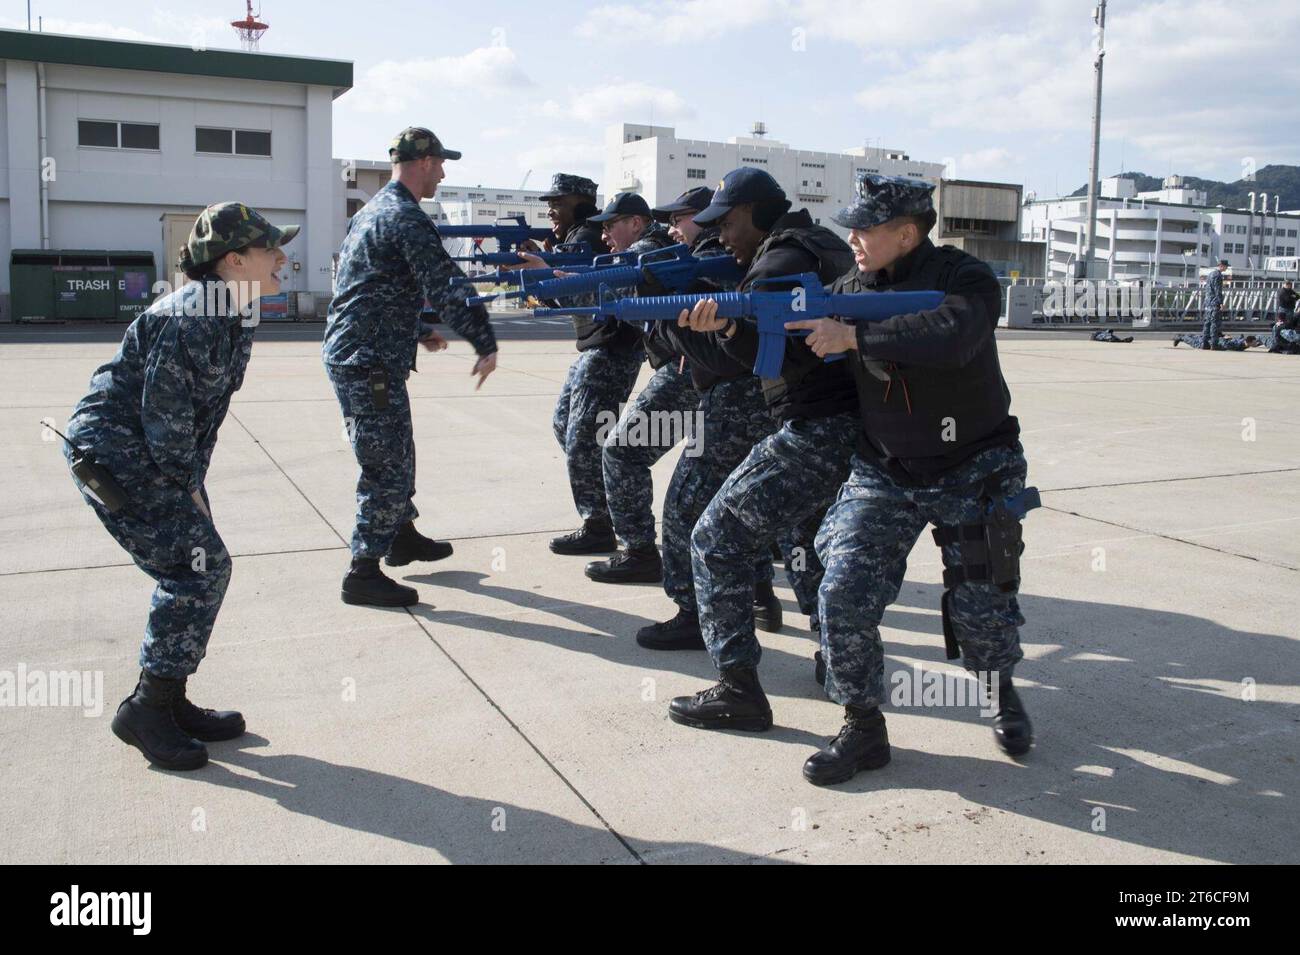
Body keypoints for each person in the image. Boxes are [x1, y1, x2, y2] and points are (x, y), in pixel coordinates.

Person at [61, 202, 296, 770]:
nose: (283, 259)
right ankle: (147, 709)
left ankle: (170, 701)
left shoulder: (235, 310)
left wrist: (195, 488)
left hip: (154, 455)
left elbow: (201, 417)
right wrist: (188, 489)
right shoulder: (191, 314)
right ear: (235, 260)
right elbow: (165, 421)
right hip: (118, 453)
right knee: (198, 566)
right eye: (270, 249)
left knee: (198, 564)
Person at [638, 168, 854, 653]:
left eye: (727, 225)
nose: (721, 237)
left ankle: (714, 644)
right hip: (840, 422)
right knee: (806, 541)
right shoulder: (823, 245)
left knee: (703, 522)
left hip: (811, 423)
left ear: (751, 214)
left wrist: (707, 326)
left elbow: (759, 361)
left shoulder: (775, 266)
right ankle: (834, 653)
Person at [323, 127, 498, 608]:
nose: (442, 173)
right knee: (387, 463)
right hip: (368, 359)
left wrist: (418, 329)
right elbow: (446, 285)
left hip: (364, 350)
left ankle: (400, 534)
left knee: (398, 447)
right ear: (423, 161)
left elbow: (371, 284)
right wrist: (484, 340)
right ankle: (362, 570)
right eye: (441, 163)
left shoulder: (372, 212)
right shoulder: (405, 217)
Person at [1199, 260, 1229, 349]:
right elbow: (1217, 290)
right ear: (1222, 266)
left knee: (1207, 323)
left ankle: (1204, 343)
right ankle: (1214, 344)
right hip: (1214, 302)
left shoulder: (1211, 274)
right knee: (1214, 324)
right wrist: (1221, 303)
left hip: (1208, 302)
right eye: (1226, 266)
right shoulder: (1218, 275)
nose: (1227, 268)